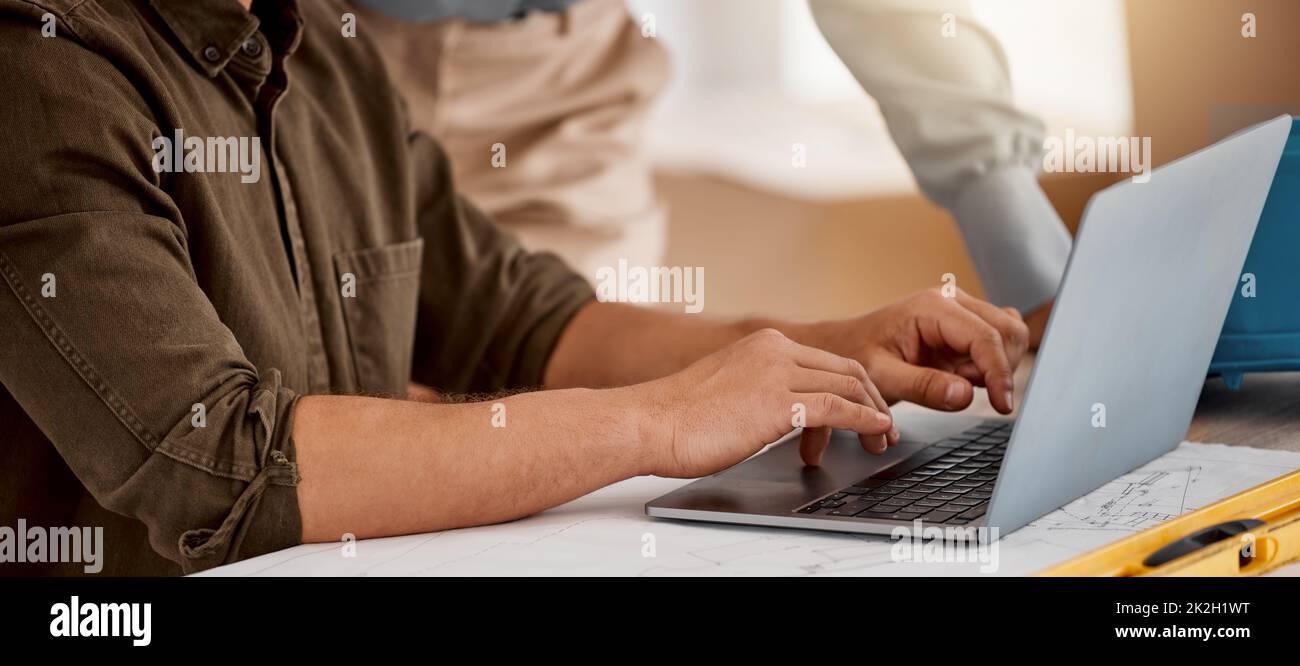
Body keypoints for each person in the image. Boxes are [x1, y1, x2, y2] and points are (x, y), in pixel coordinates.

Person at [0, 0, 1026, 576]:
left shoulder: (321, 56)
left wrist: (822, 348)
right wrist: (658, 421)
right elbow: (219, 467)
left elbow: (518, 315)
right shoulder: (41, 72)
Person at [353, 0, 1069, 343]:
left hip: (552, 73)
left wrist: (1029, 262)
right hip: (302, 56)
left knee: (548, 422)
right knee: (311, 427)